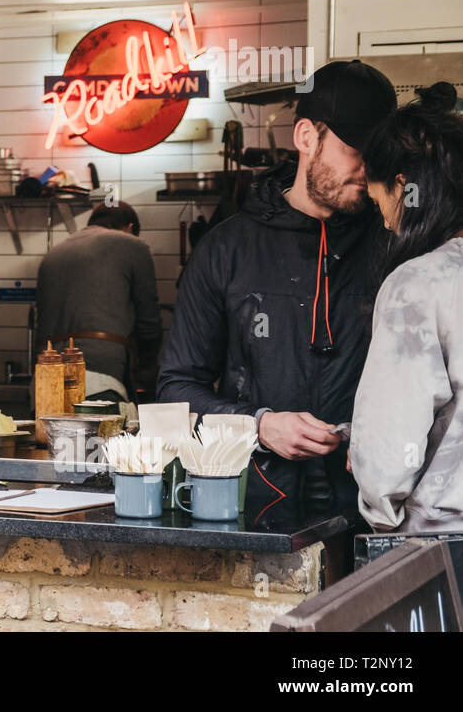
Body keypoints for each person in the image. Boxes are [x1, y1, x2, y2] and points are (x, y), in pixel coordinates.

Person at [157, 60, 396, 524]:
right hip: (254, 508)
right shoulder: (227, 250)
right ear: (306, 137)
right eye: (356, 150)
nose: (369, 170)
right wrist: (261, 425)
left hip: (375, 515)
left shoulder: (395, 246)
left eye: (381, 155)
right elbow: (175, 390)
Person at [350, 82, 463, 532]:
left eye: (378, 201)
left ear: (402, 184)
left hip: (443, 542)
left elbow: (388, 451)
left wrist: (381, 513)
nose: (384, 220)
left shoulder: (417, 282)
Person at [35, 201, 161, 411]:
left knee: (50, 443)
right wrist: (148, 370)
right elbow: (148, 321)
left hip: (45, 381)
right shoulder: (133, 246)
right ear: (130, 228)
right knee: (100, 443)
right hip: (100, 378)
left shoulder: (53, 253)